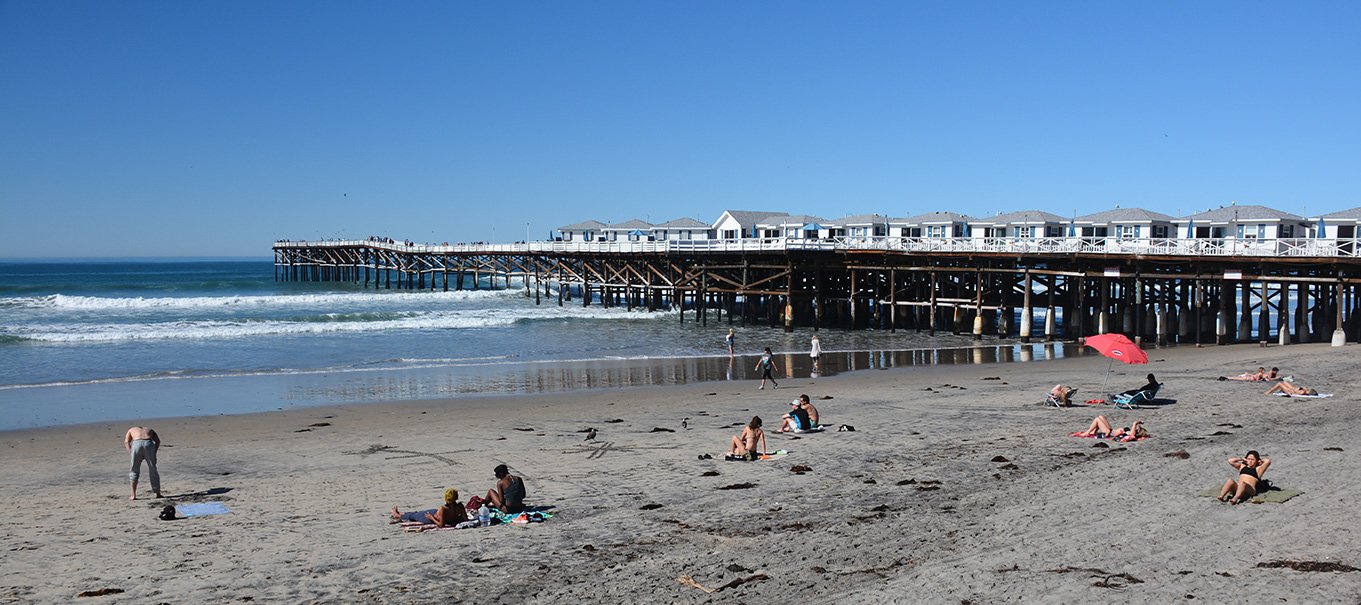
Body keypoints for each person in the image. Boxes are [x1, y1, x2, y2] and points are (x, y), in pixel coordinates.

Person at [391, 489, 469, 527]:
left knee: (414, 516)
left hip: (433, 516)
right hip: (437, 513)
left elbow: (441, 525)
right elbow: (466, 519)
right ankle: (401, 513)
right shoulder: (460, 506)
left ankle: (397, 515)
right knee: (416, 513)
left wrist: (431, 518)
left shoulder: (444, 509)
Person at [124, 426, 163, 500]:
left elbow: (126, 442)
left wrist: (131, 454)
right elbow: (158, 441)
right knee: (153, 469)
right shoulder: (149, 429)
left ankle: (133, 495)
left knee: (134, 470)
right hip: (149, 444)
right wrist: (154, 453)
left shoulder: (131, 430)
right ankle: (158, 493)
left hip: (137, 444)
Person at [1076, 415, 1147, 442]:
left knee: (1097, 419)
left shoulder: (1131, 434)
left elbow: (1133, 433)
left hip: (1108, 433)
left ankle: (1088, 432)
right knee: (1101, 417)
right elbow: (1135, 429)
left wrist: (1136, 423)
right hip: (1110, 430)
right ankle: (1094, 431)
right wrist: (1139, 424)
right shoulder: (1132, 431)